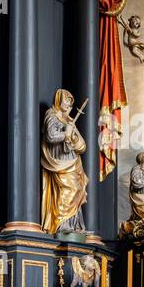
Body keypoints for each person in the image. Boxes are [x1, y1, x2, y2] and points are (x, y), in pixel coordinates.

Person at [41, 89, 88, 233]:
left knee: (78, 190)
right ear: (59, 99)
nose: (69, 104)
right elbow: (50, 136)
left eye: (71, 102)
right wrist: (65, 133)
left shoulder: (68, 120)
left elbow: (82, 146)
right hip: (60, 162)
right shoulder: (52, 115)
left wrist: (73, 136)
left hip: (73, 161)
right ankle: (62, 224)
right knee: (69, 189)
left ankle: (74, 225)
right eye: (67, 100)